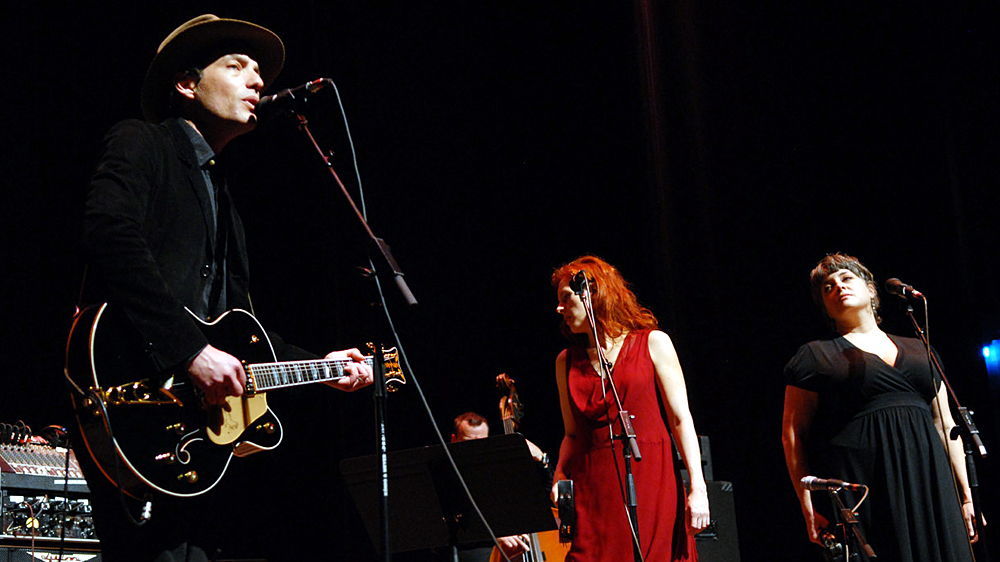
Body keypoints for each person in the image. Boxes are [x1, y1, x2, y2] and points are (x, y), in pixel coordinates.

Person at [77, 14, 373, 562]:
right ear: (187, 85)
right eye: (237, 67)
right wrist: (187, 351)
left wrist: (324, 365)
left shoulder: (223, 195)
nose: (258, 82)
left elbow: (238, 326)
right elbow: (108, 235)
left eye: (258, 71)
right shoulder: (141, 141)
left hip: (190, 435)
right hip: (130, 399)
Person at [782, 253, 978, 562]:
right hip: (866, 482)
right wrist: (808, 507)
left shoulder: (920, 348)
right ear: (825, 306)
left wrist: (966, 495)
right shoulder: (815, 356)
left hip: (929, 479)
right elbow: (794, 436)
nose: (838, 286)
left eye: (846, 278)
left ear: (871, 291)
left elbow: (945, 424)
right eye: (828, 287)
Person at [551, 256, 708, 561]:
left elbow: (680, 418)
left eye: (566, 298)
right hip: (592, 489)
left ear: (592, 293)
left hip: (651, 477)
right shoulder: (565, 362)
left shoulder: (654, 343)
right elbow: (571, 434)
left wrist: (698, 488)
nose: (559, 308)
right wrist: (558, 473)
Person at [449, 412, 552, 562]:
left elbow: (547, 499)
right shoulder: (447, 477)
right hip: (474, 553)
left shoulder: (498, 470)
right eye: (468, 442)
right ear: (454, 440)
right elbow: (448, 527)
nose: (475, 450)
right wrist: (493, 533)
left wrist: (542, 459)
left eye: (481, 442)